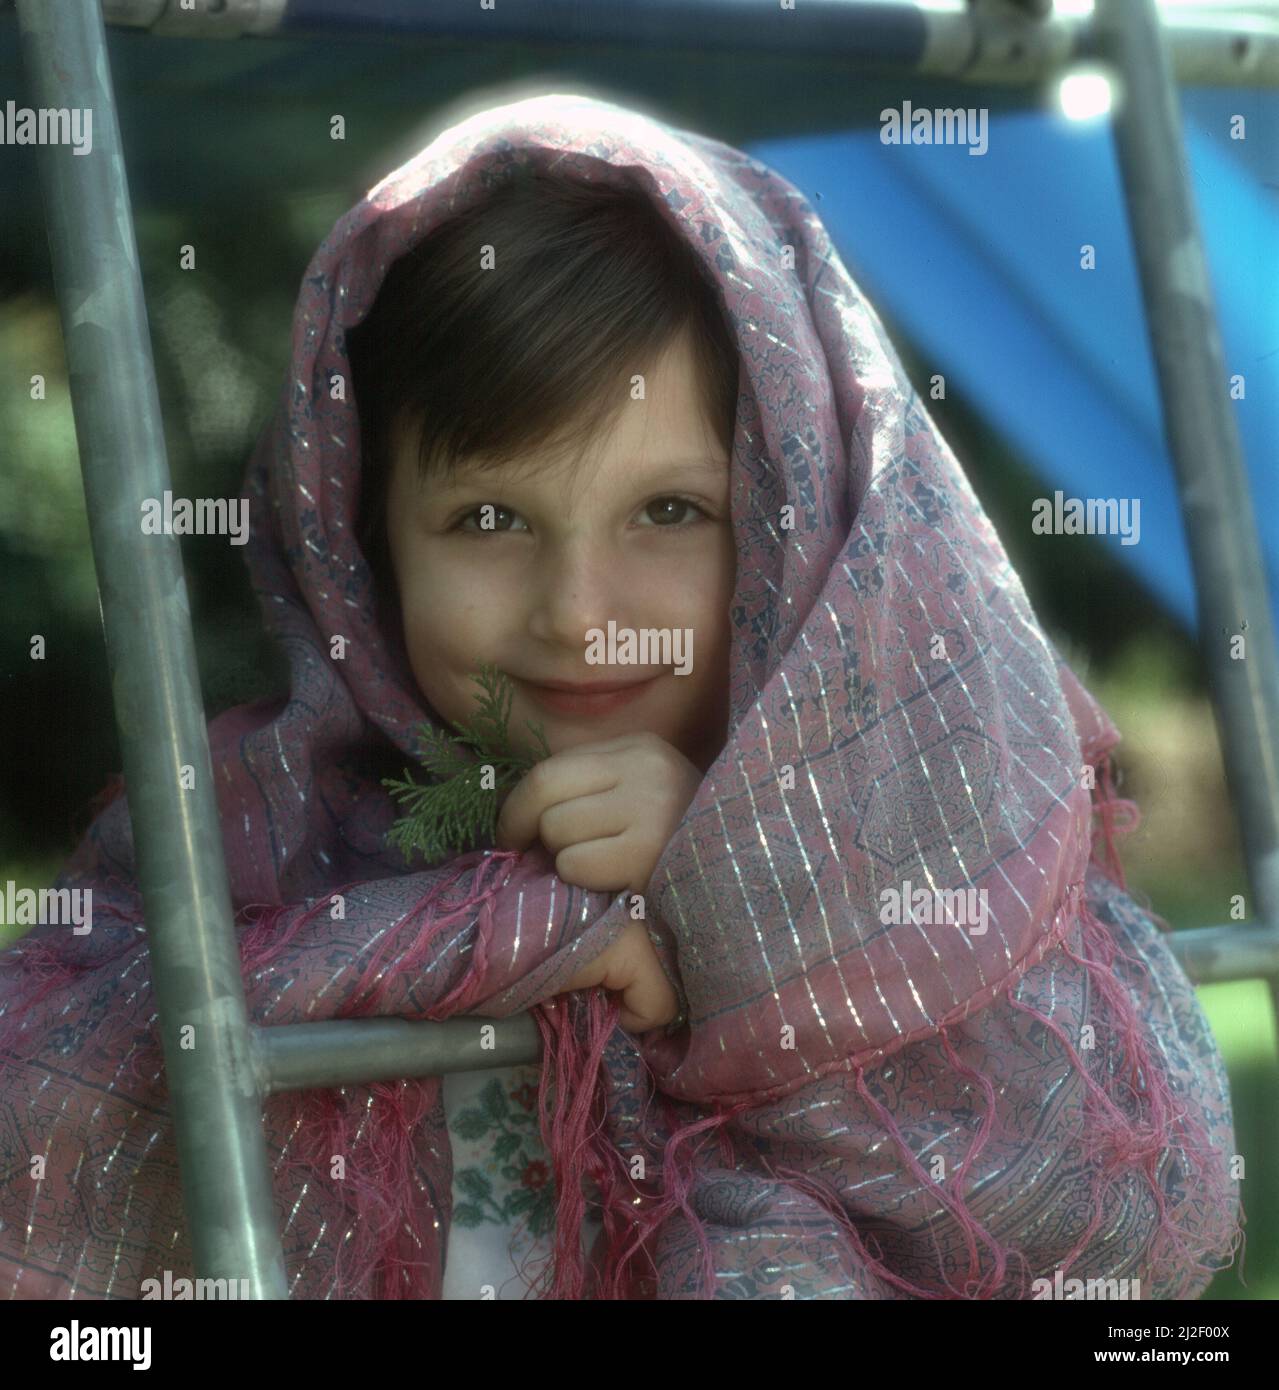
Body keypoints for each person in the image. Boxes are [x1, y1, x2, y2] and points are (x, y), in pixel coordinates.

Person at [0, 92, 1242, 1301]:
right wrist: (463, 938)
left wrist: (746, 895)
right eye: (487, 517)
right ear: (360, 541)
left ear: (794, 519)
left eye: (669, 511)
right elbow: (45, 1125)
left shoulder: (954, 844)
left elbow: (1120, 1213)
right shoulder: (239, 843)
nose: (580, 612)